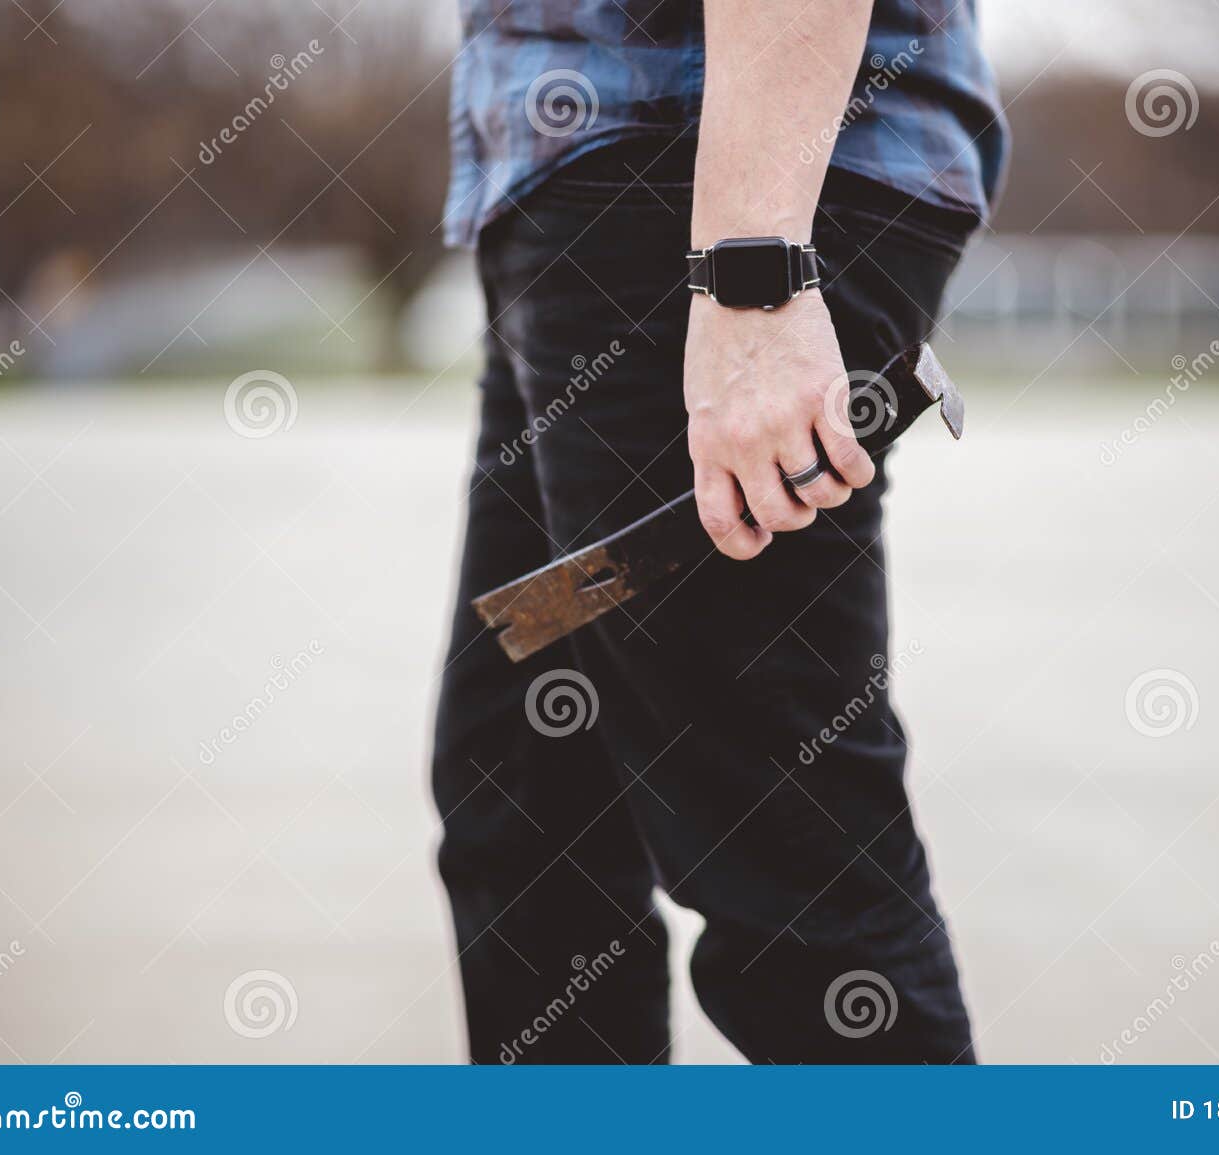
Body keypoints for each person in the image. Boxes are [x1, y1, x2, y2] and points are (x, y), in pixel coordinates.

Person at [432, 0, 1007, 1063]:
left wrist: (757, 275)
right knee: (525, 816)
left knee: (789, 863)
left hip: (696, 197)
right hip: (574, 204)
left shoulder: (734, 249)